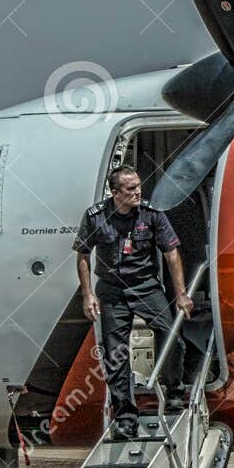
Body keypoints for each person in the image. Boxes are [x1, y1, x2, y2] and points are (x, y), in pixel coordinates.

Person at [73, 167, 193, 440]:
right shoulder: (95, 216)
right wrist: (87, 294)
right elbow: (82, 254)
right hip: (112, 290)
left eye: (139, 186)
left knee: (171, 333)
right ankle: (126, 418)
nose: (138, 192)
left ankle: (174, 388)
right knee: (116, 355)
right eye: (131, 189)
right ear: (115, 194)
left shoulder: (151, 213)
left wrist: (181, 294)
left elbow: (171, 253)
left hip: (145, 286)